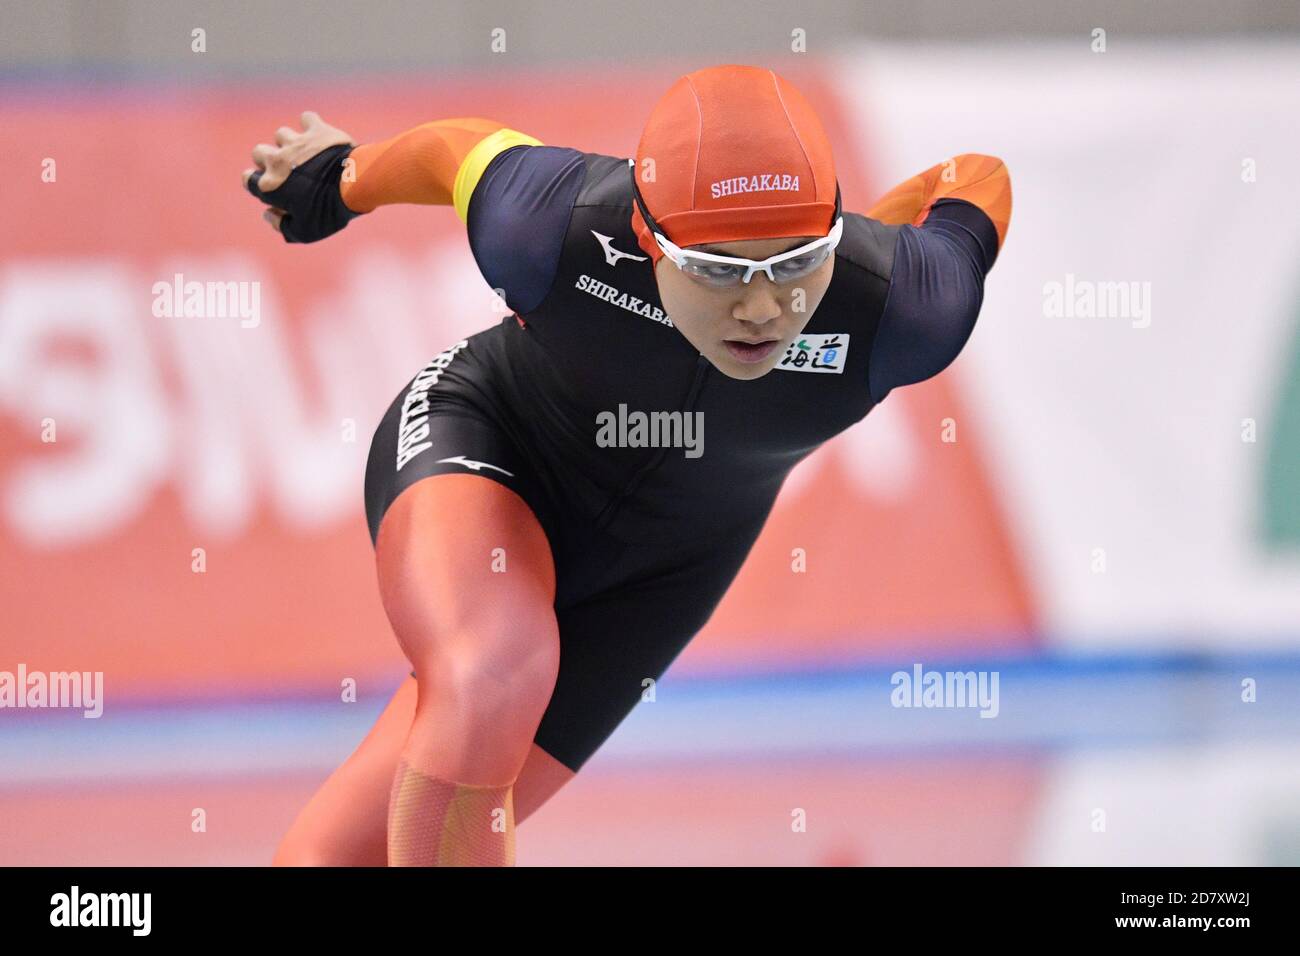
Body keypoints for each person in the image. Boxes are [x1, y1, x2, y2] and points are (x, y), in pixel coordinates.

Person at [245, 64, 1012, 866]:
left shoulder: (906, 306)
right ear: (648, 240)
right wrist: (344, 176)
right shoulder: (552, 224)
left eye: (794, 264)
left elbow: (977, 176)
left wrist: (865, 242)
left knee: (341, 859)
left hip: (663, 575)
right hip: (492, 445)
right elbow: (455, 152)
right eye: (718, 270)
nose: (759, 309)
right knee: (495, 669)